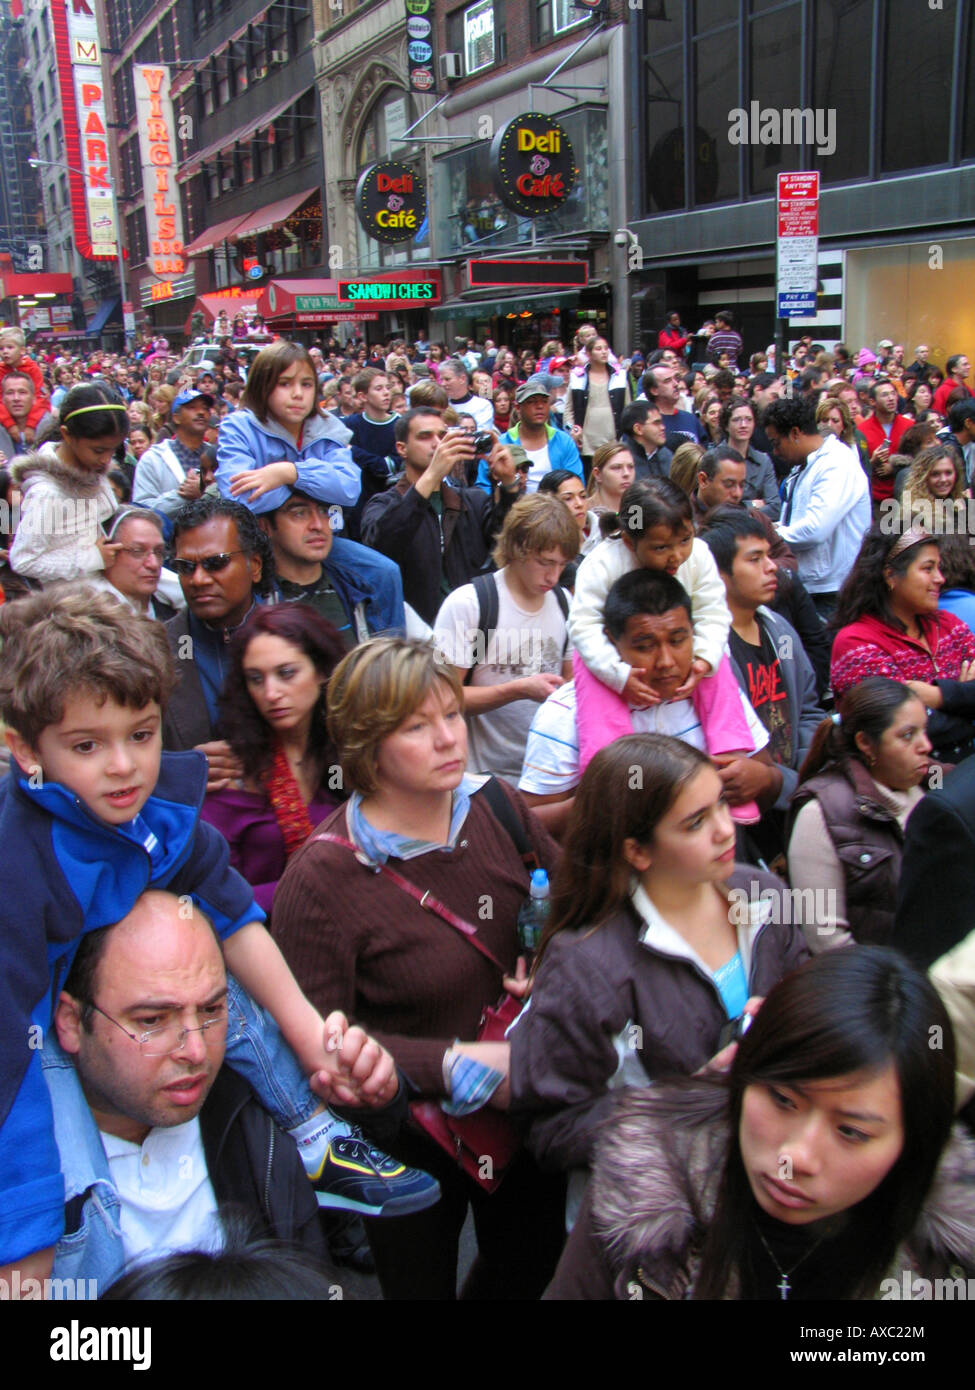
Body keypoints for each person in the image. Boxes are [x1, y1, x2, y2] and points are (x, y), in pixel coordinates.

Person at [0, 591, 435, 1286]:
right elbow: (8, 1056)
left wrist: (311, 1037)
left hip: (106, 1017)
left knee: (213, 980)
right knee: (71, 1191)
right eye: (87, 746)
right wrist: (20, 1239)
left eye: (141, 735)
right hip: (34, 1040)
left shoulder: (155, 819)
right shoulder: (18, 865)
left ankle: (317, 1139)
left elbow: (234, 918)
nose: (123, 767)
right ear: (24, 750)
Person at [271, 638, 567, 1300]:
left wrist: (550, 960)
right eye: (415, 726)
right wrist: (456, 1064)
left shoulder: (498, 805)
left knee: (529, 1270)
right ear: (364, 745)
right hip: (410, 1143)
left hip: (524, 1115)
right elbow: (317, 1045)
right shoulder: (322, 878)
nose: (446, 739)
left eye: (451, 716)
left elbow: (571, 907)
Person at [545, 947, 972, 1300]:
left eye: (851, 1131)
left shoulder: (947, 1256)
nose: (796, 1157)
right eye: (783, 1099)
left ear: (912, 1141)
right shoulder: (642, 1185)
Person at [511, 734, 807, 1197]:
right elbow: (553, 1128)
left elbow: (806, 990)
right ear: (637, 851)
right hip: (658, 1215)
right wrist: (687, 1100)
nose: (726, 831)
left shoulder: (765, 894)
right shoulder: (586, 964)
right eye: (695, 823)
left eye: (722, 806)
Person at [44, 893, 338, 1291]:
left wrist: (381, 1094)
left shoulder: (259, 1122)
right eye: (152, 1020)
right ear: (71, 1022)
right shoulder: (29, 1176)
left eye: (212, 1011)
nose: (195, 1051)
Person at [518, 572, 777, 835]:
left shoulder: (715, 691)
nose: (666, 661)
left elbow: (771, 777)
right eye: (645, 646)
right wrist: (597, 805)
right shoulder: (564, 714)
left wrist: (762, 779)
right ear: (610, 642)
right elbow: (530, 826)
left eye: (678, 640)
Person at [568, 479, 759, 820]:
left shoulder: (698, 555)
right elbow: (583, 627)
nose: (676, 555)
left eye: (684, 539)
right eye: (660, 548)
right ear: (630, 540)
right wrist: (618, 675)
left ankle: (731, 762)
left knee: (719, 667)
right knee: (593, 685)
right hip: (614, 651)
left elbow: (713, 612)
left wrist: (702, 659)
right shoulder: (601, 565)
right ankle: (611, 782)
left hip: (681, 640)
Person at [201, 605, 347, 915]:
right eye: (256, 679)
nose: (271, 693)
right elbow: (219, 898)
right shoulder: (229, 770)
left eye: (286, 673)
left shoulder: (350, 752)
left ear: (321, 671)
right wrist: (318, 886)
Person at [700, 509, 826, 861]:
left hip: (792, 798)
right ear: (720, 575)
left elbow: (809, 709)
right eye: (755, 559)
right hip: (736, 818)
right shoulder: (706, 651)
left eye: (769, 555)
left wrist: (797, 775)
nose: (772, 567)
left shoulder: (778, 630)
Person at [433, 494, 578, 782]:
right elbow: (442, 699)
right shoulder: (470, 604)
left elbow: (571, 686)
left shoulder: (565, 603)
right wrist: (518, 689)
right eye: (545, 562)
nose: (554, 576)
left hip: (546, 773)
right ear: (516, 548)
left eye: (562, 565)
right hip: (481, 777)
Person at [788, 678, 930, 951]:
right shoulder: (820, 813)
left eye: (925, 730)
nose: (926, 745)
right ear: (865, 743)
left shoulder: (929, 779)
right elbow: (826, 939)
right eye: (908, 735)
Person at [362, 408, 521, 627]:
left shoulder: (471, 499)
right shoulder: (383, 504)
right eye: (425, 436)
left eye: (442, 435)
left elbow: (509, 542)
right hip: (417, 641)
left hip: (475, 633)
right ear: (402, 449)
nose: (437, 443)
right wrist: (432, 475)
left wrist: (509, 484)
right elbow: (382, 547)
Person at [831, 526, 975, 764]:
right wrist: (965, 700)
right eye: (928, 569)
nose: (941, 578)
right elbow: (898, 731)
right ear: (890, 576)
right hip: (900, 789)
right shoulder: (856, 643)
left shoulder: (950, 625)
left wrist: (938, 696)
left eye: (938, 568)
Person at [215, 341, 360, 522]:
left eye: (306, 384)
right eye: (284, 384)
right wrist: (318, 487)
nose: (298, 394)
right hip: (261, 542)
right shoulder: (239, 426)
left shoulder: (328, 425)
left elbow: (349, 489)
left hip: (322, 538)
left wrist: (290, 473)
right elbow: (239, 499)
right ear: (262, 386)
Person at [765, 395, 871, 620]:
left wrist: (767, 534)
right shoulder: (805, 464)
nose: (775, 452)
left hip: (831, 592)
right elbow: (795, 521)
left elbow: (815, 529)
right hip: (812, 586)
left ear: (795, 433)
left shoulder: (837, 464)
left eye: (776, 443)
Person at [9, 382, 124, 585]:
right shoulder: (47, 493)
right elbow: (23, 561)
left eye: (112, 450)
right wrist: (92, 558)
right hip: (74, 601)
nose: (107, 459)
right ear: (67, 435)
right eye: (99, 450)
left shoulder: (92, 467)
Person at [262, 490, 404, 643]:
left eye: (324, 512)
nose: (318, 525)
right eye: (299, 513)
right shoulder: (257, 602)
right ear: (265, 526)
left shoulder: (360, 591)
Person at [480, 377, 584, 494]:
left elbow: (577, 484)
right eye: (532, 401)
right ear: (518, 408)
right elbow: (484, 487)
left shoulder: (564, 442)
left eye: (544, 401)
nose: (539, 406)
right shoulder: (502, 443)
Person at [90, 506, 181, 621]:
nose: (153, 564)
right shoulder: (85, 624)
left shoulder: (176, 611)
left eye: (159, 551)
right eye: (137, 551)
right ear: (106, 554)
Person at [133, 388, 213, 518]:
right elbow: (141, 510)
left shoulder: (219, 456)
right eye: (192, 407)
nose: (201, 412)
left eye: (205, 408)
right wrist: (181, 496)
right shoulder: (153, 459)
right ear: (176, 418)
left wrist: (206, 494)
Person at [564, 337, 629, 464]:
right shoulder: (578, 377)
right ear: (588, 353)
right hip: (587, 439)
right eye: (598, 349)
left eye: (606, 348)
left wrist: (625, 435)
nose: (604, 352)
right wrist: (572, 430)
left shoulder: (619, 376)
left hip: (613, 436)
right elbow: (568, 410)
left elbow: (628, 408)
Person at [720, 396, 780, 517]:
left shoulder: (763, 461)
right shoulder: (714, 458)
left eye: (748, 419)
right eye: (736, 420)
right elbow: (716, 506)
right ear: (726, 425)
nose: (743, 425)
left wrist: (739, 508)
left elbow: (774, 508)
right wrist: (751, 504)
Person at [0, 327, 50, 443]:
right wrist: (10, 425)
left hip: (34, 420)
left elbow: (40, 398)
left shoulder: (33, 369)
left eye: (10, 347)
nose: (5, 351)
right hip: (6, 421)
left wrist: (31, 425)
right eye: (1, 348)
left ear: (22, 350)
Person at [0, 372, 55, 455]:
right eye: (10, 393)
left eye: (22, 392)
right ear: (3, 399)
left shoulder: (51, 429)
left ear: (33, 398)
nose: (16, 398)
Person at [618, 400, 671, 480]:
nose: (663, 427)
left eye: (661, 422)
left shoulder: (668, 456)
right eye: (656, 423)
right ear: (638, 429)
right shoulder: (620, 459)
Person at [586, 442, 635, 516]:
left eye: (630, 467)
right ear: (597, 474)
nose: (626, 473)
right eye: (616, 467)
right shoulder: (584, 511)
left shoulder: (637, 508)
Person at [933, 354, 973, 418]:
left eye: (968, 364)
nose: (969, 367)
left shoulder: (968, 389)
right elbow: (937, 414)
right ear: (954, 369)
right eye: (965, 364)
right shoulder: (942, 391)